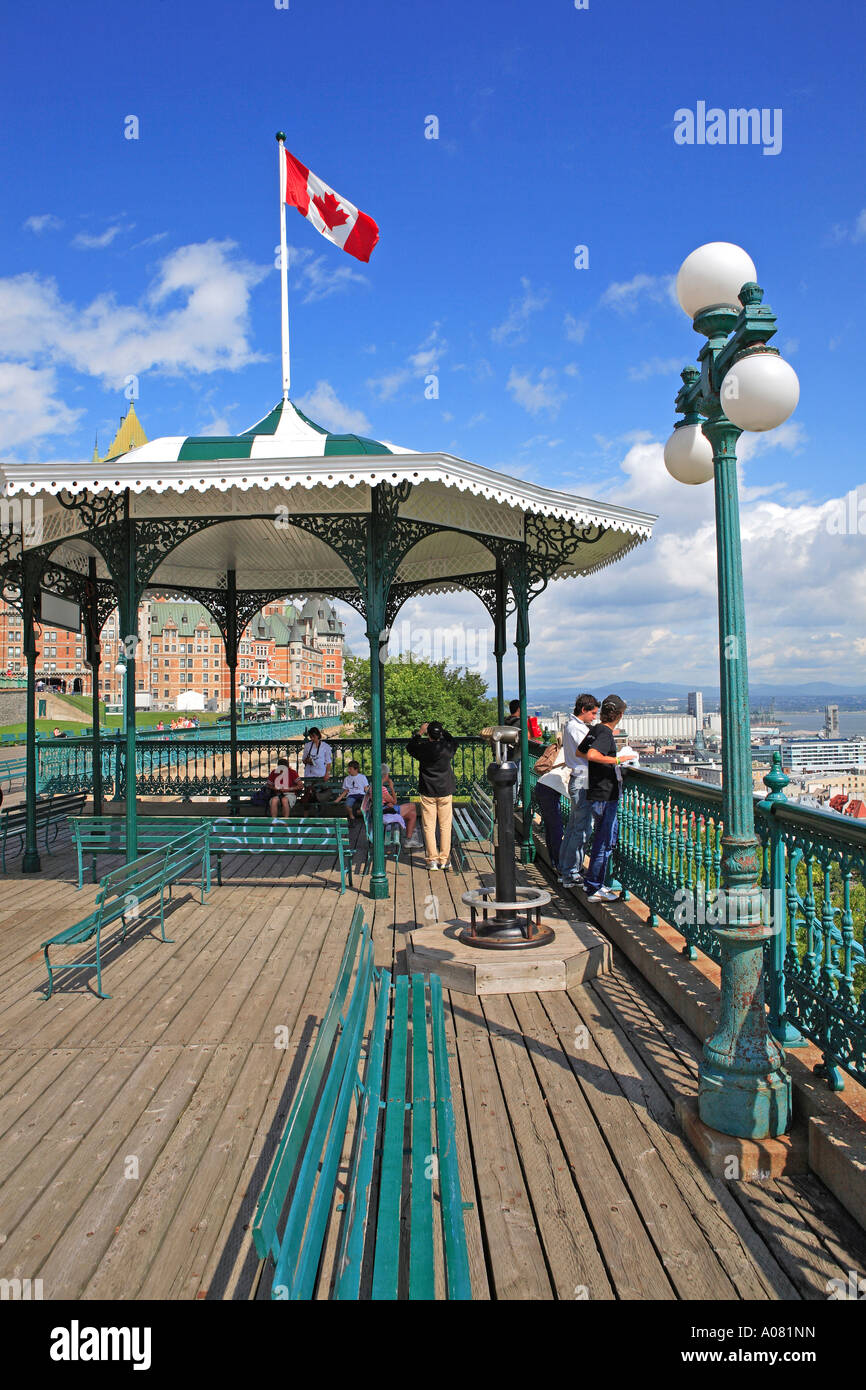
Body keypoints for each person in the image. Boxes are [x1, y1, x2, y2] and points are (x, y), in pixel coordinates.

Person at [579, 694, 637, 903]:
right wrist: (618, 759)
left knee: (603, 840)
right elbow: (592, 754)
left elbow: (580, 752)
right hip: (605, 793)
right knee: (604, 842)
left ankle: (594, 884)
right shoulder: (604, 732)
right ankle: (594, 887)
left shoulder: (595, 729)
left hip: (596, 791)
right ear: (620, 715)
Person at [557, 693, 600, 887]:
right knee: (581, 829)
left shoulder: (571, 726)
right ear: (583, 710)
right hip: (583, 780)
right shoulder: (577, 729)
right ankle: (571, 872)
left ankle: (565, 868)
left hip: (578, 778)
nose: (594, 717)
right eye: (592, 713)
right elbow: (591, 753)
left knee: (575, 826)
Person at [406, 720, 457, 870]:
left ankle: (432, 860)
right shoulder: (447, 748)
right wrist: (443, 731)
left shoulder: (423, 749)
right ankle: (445, 859)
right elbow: (454, 741)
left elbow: (410, 747)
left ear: (428, 735)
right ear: (440, 734)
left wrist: (420, 732)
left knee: (428, 826)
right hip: (445, 790)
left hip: (428, 790)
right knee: (445, 826)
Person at [534, 734, 571, 868]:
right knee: (556, 829)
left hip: (542, 785)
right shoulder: (573, 755)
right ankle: (558, 863)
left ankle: (555, 861)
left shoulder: (564, 750)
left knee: (551, 828)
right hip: (549, 789)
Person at [299, 727, 332, 802]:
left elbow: (328, 762)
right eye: (311, 737)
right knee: (309, 793)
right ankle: (307, 810)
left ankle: (318, 810)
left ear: (318, 735)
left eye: (313, 737)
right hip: (309, 774)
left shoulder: (325, 746)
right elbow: (304, 760)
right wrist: (308, 761)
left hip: (321, 774)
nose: (312, 739)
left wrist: (327, 773)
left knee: (319, 794)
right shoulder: (308, 746)